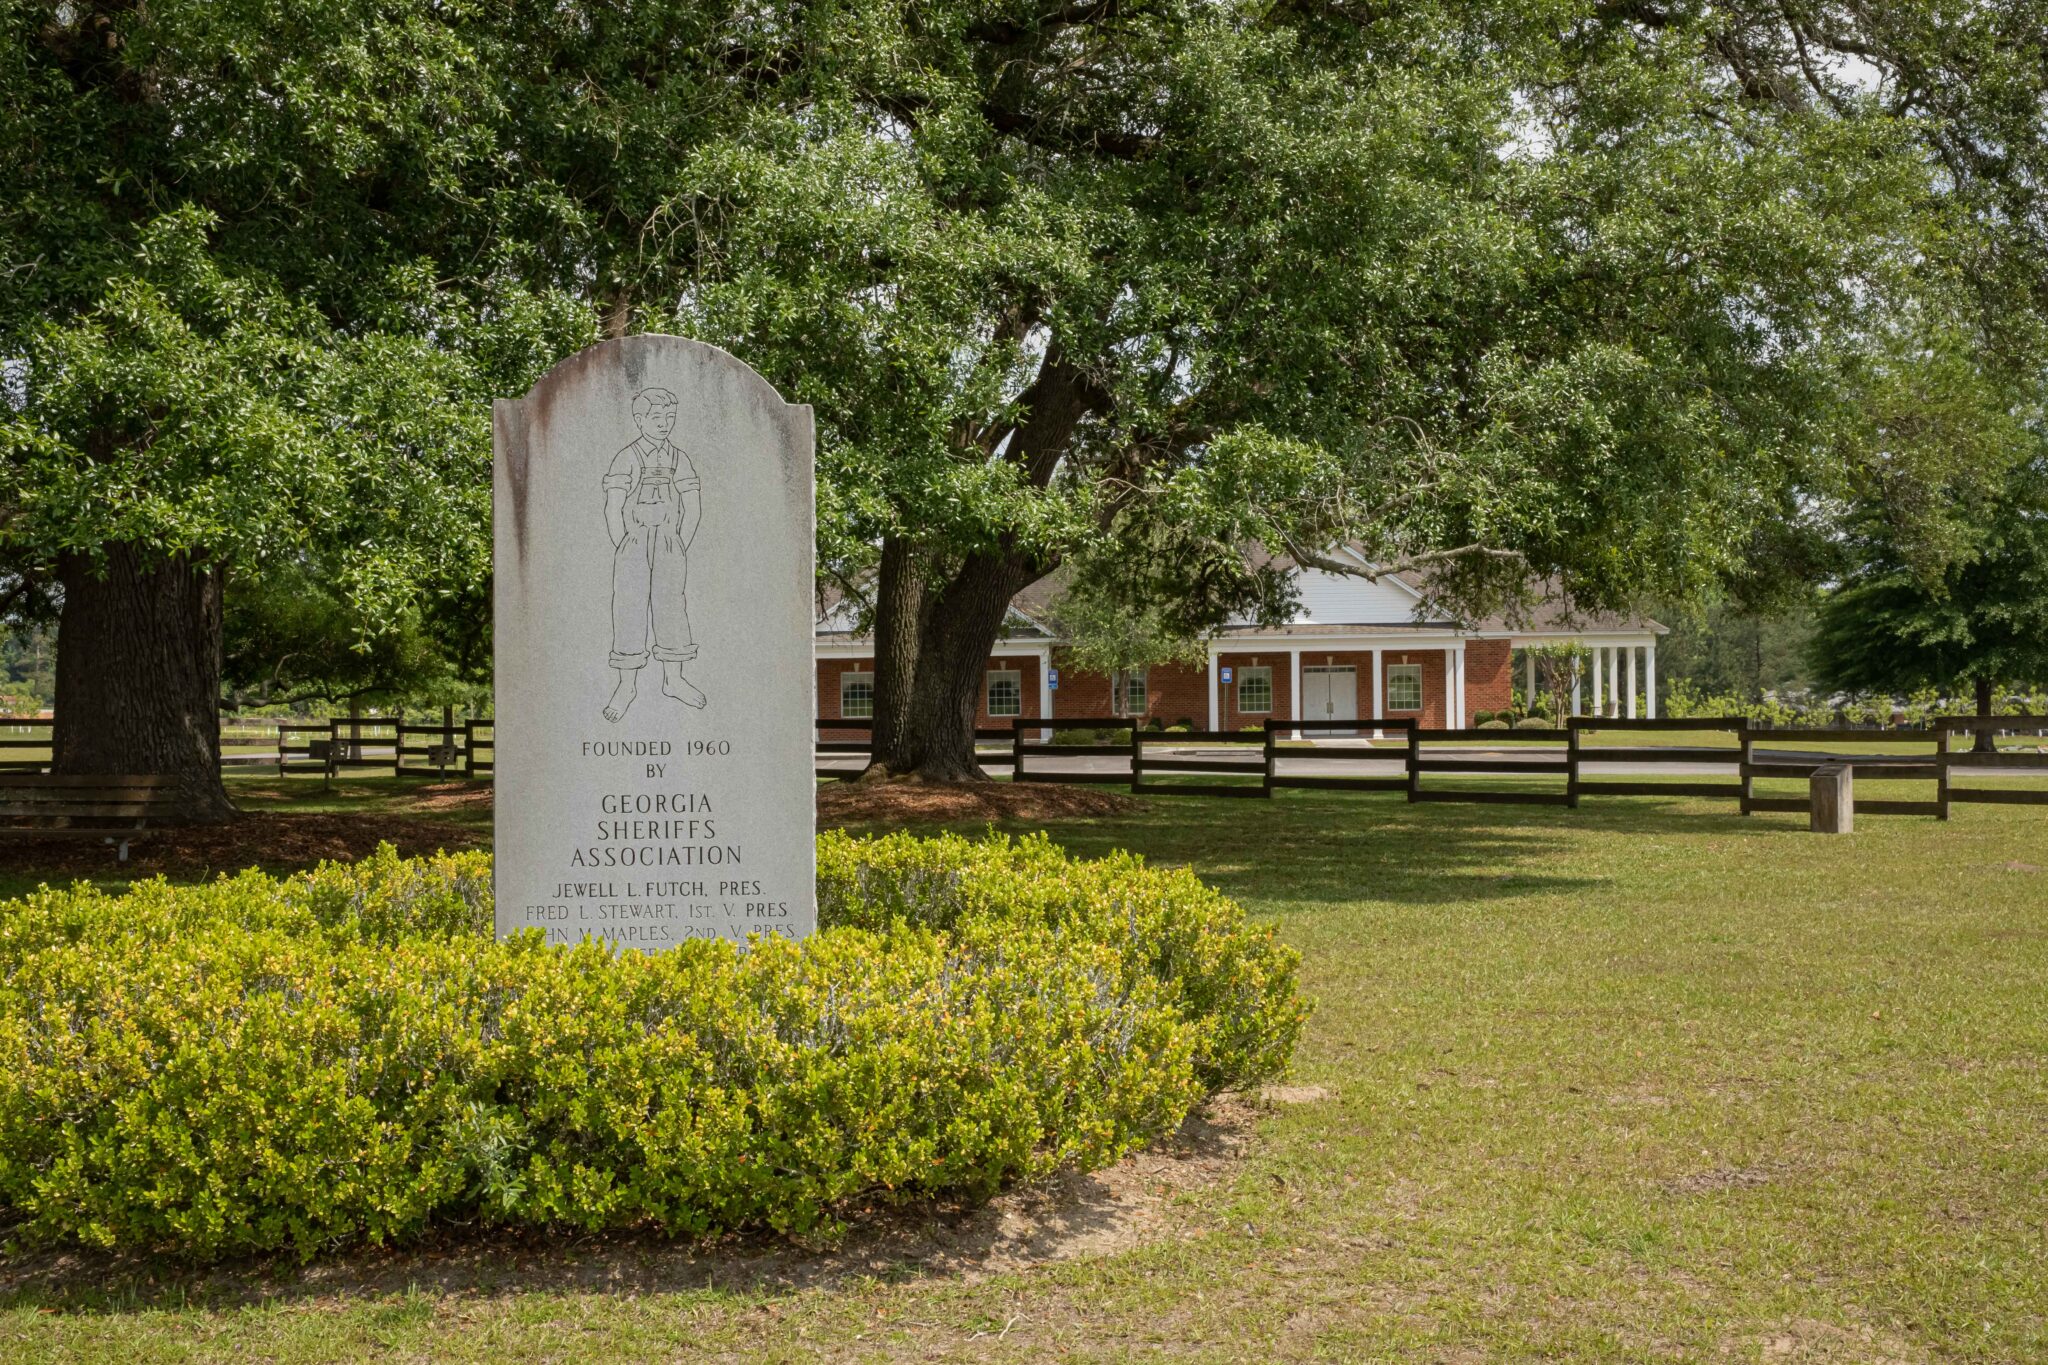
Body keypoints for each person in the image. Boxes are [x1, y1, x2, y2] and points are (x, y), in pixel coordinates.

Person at [601, 387, 705, 721]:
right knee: (629, 609)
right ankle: (626, 685)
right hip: (633, 542)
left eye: (669, 418)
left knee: (671, 608)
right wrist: (625, 543)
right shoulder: (627, 456)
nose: (664, 424)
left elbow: (693, 505)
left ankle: (674, 679)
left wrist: (677, 543)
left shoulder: (679, 457)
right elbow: (613, 505)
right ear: (640, 419)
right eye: (656, 417)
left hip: (669, 542)